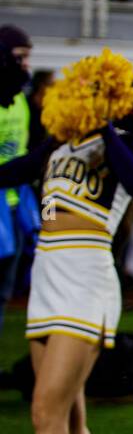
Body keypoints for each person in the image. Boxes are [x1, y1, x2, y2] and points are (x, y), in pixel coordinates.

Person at [0, 56, 133, 434]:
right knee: (69, 418)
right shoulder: (56, 146)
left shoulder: (121, 141)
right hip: (46, 280)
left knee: (44, 413)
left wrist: (108, 126)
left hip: (86, 284)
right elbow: (8, 173)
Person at [0, 26, 35, 342]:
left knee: (4, 292)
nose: (26, 65)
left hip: (12, 205)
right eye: (20, 57)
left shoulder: (20, 101)